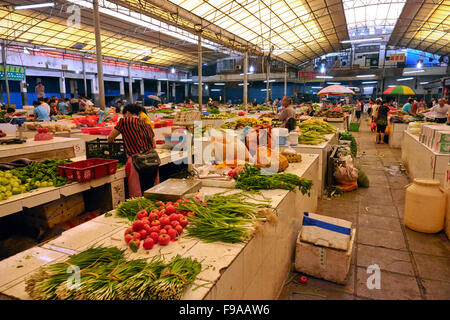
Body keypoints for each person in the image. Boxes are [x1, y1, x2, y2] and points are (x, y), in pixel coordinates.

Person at [108, 104, 158, 197]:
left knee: (138, 195)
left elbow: (110, 137)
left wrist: (112, 143)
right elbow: (154, 145)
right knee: (149, 192)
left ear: (127, 113)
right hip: (152, 161)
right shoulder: (146, 124)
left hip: (137, 162)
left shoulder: (124, 121)